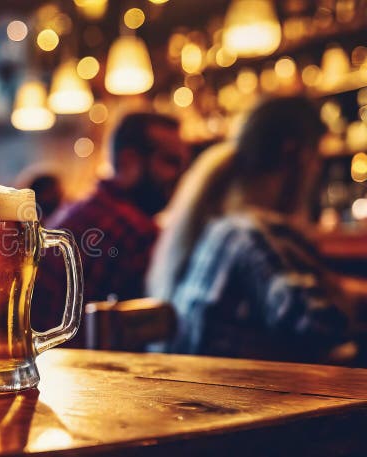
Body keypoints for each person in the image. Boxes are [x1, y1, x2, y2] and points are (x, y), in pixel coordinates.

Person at [146, 97, 350, 363]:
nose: (316, 172)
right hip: (226, 400)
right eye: (316, 160)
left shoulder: (222, 226)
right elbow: (319, 325)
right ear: (294, 155)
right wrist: (348, 299)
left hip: (196, 395)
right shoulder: (251, 234)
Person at [32, 113, 189, 332]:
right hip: (88, 364)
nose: (181, 176)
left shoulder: (75, 210)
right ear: (128, 162)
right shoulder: (136, 231)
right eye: (170, 162)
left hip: (48, 360)